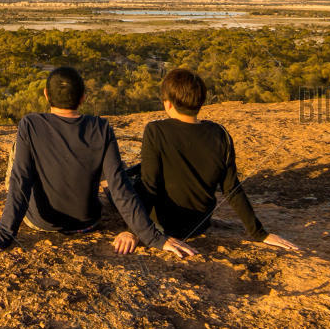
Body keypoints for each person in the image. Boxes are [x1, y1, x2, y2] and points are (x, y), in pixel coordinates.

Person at [0, 67, 199, 260]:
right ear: (83, 98)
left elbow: (21, 180)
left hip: (42, 223)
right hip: (88, 222)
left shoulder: (31, 124)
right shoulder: (102, 128)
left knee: (20, 151)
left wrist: (2, 235)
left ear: (46, 95)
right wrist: (152, 237)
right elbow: (119, 188)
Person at [113, 68, 301, 256]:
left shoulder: (156, 130)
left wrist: (133, 231)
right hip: (198, 225)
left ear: (168, 104)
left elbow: (149, 186)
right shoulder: (220, 134)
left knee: (123, 181)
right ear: (201, 102)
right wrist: (259, 233)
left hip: (161, 224)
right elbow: (232, 188)